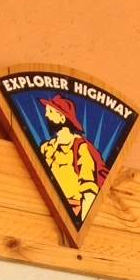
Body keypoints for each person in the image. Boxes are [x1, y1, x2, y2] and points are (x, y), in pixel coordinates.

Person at [36, 93, 107, 221]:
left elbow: (89, 188)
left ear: (62, 118)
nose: (46, 115)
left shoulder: (80, 148)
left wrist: (82, 222)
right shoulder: (46, 148)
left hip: (72, 211)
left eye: (50, 112)